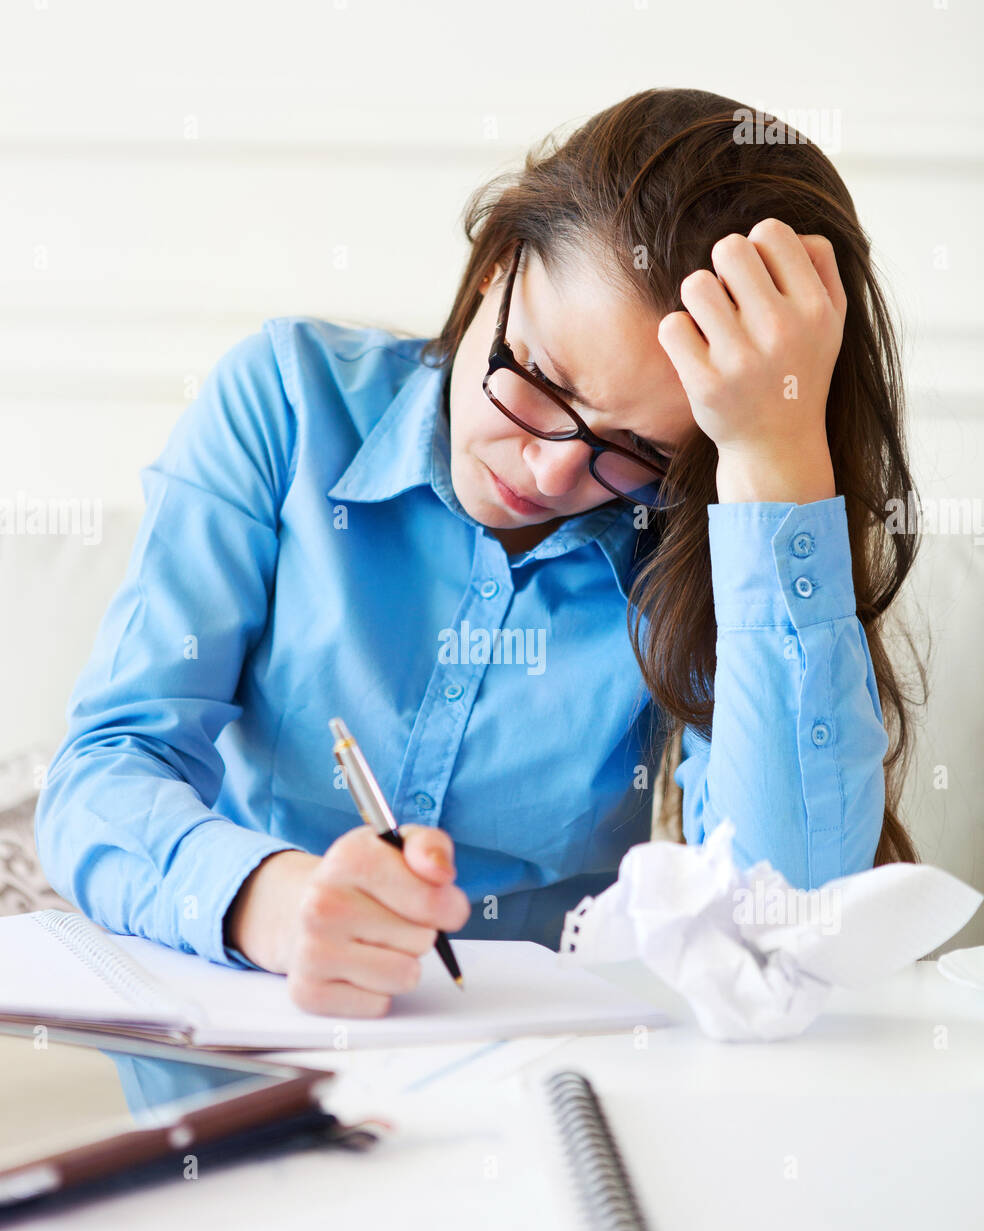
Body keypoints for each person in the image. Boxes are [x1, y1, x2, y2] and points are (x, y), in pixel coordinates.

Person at [35, 88, 921, 1018]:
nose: (546, 469)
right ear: (499, 266)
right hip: (256, 1023)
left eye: (638, 451)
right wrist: (271, 901)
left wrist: (770, 465)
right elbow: (107, 767)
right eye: (537, 380)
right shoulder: (286, 406)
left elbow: (782, 919)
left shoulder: (693, 527)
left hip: (550, 1063)